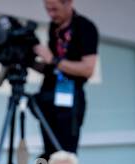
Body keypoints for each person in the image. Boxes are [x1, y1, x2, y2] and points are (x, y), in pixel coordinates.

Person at [30, 0, 99, 154]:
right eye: (47, 9)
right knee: (46, 154)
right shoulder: (53, 28)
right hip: (48, 98)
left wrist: (53, 59)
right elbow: (51, 68)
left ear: (69, 3)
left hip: (70, 102)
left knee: (65, 156)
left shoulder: (85, 27)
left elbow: (87, 69)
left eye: (55, 9)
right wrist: (29, 61)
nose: (51, 14)